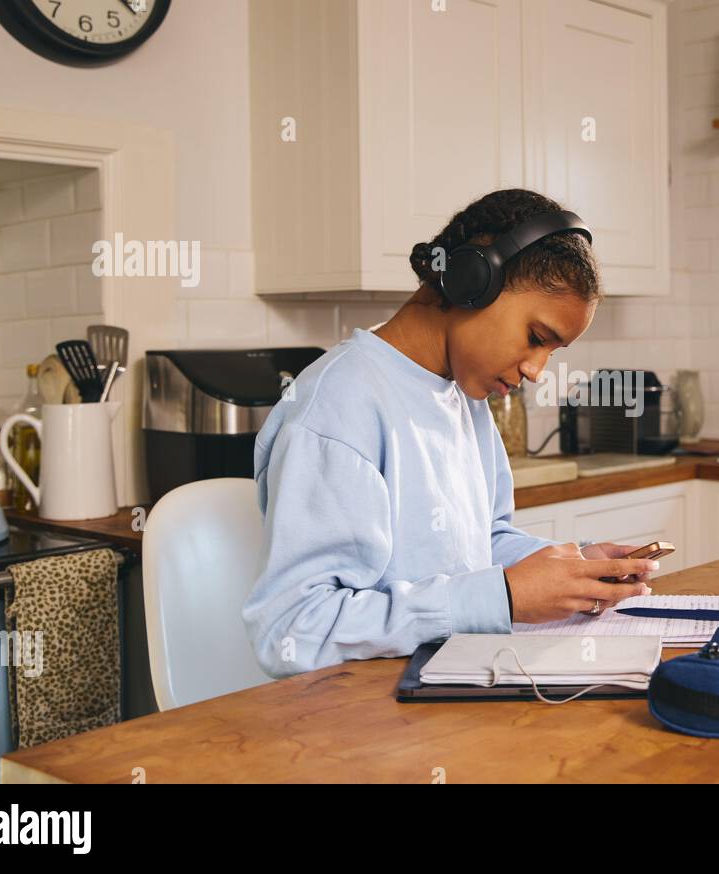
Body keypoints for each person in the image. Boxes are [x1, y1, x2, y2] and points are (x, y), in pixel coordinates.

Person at [243, 189, 660, 678]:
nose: (536, 371)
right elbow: (293, 628)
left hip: (447, 690)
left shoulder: (463, 393)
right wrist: (502, 597)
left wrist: (573, 567)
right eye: (535, 338)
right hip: (361, 721)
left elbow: (481, 543)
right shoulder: (338, 408)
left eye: (553, 352)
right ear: (471, 281)